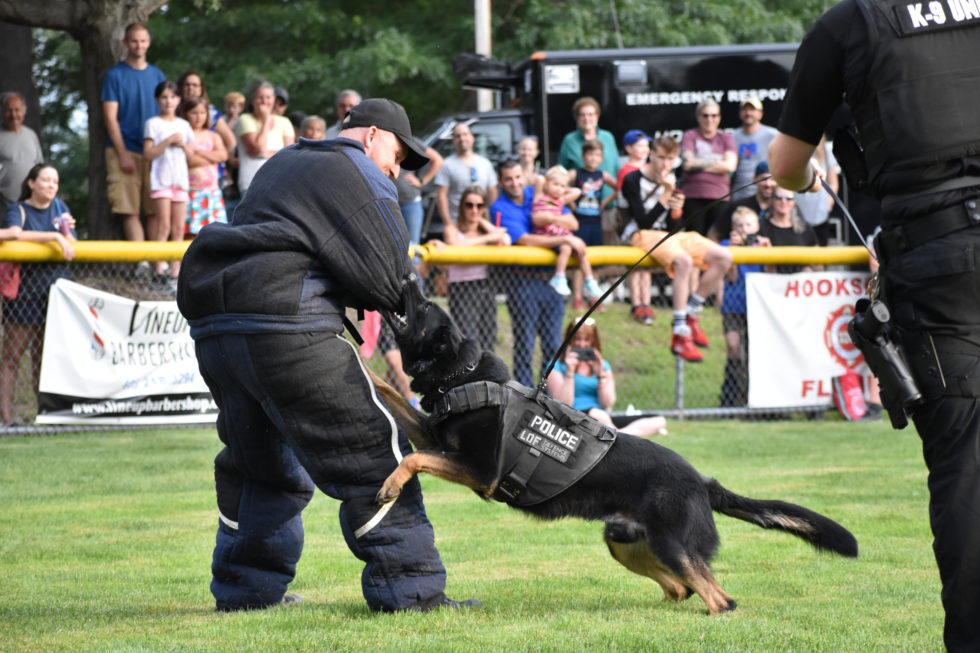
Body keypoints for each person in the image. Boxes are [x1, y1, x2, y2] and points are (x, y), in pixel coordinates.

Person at [177, 98, 478, 613]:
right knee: (373, 458)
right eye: (398, 154)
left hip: (218, 329)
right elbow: (388, 281)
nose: (397, 169)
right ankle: (411, 593)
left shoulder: (283, 162)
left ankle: (246, 592)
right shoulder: (360, 172)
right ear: (371, 136)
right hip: (289, 326)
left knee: (258, 465)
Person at [767, 4, 980, 649]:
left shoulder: (849, 24)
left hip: (942, 256)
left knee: (968, 464)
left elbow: (786, 166)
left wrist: (811, 177)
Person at [620, 135, 733, 363]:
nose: (665, 165)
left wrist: (675, 212)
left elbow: (672, 226)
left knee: (723, 256)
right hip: (640, 235)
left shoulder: (674, 179)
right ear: (651, 154)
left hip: (669, 236)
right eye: (661, 158)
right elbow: (644, 223)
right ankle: (680, 329)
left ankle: (693, 310)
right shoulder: (633, 179)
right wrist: (664, 195)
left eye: (670, 159)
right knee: (684, 261)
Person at [1, 163, 76, 426]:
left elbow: (73, 246)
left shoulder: (60, 209)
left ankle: (42, 417)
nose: (51, 185)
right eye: (45, 180)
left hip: (56, 297)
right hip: (24, 297)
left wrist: (65, 231)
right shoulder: (18, 209)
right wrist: (54, 237)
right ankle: (6, 420)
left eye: (55, 181)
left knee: (44, 361)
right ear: (31, 183)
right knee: (12, 357)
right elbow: (15, 236)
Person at [492, 157, 566, 386]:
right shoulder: (499, 207)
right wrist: (561, 237)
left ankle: (550, 400)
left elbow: (571, 219)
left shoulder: (538, 194)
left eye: (517, 177)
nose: (514, 183)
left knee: (554, 346)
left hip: (552, 280)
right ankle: (526, 398)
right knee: (525, 345)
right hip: (523, 282)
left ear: (524, 176)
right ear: (500, 181)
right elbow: (524, 240)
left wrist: (551, 219)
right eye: (508, 179)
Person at [100, 22, 166, 244]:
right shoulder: (114, 75)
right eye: (134, 41)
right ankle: (142, 263)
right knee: (128, 208)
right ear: (126, 43)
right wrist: (123, 154)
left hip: (153, 152)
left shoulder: (157, 75)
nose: (139, 45)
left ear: (148, 43)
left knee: (154, 208)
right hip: (123, 148)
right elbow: (110, 117)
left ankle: (158, 265)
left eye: (143, 41)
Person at [547, 317, 667, 437]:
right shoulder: (557, 366)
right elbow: (563, 405)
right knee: (597, 414)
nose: (582, 345)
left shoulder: (603, 365)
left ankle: (618, 435)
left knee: (659, 420)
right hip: (574, 418)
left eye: (587, 340)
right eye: (577, 339)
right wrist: (570, 372)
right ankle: (622, 435)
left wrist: (601, 375)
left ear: (594, 341)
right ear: (569, 339)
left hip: (603, 418)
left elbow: (607, 403)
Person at [444, 186, 509, 352]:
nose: (474, 210)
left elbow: (506, 240)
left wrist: (481, 221)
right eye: (469, 205)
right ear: (462, 207)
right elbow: (454, 245)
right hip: (462, 288)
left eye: (479, 206)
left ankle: (488, 376)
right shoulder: (452, 229)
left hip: (484, 285)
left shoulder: (484, 229)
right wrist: (488, 237)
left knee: (488, 337)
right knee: (468, 339)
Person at [143, 80, 194, 287]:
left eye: (172, 97)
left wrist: (182, 144)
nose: (168, 101)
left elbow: (191, 156)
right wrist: (167, 141)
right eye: (164, 97)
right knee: (163, 226)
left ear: (178, 100)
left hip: (180, 181)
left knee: (179, 228)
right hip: (161, 181)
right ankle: (159, 271)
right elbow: (148, 154)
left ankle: (176, 272)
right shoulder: (152, 123)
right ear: (158, 100)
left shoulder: (184, 125)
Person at [719, 207, 767, 407]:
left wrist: (766, 249)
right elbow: (731, 277)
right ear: (733, 229)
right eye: (739, 226)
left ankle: (748, 398)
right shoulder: (726, 246)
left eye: (748, 225)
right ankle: (730, 397)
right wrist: (735, 250)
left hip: (756, 307)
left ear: (756, 227)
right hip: (733, 306)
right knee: (734, 348)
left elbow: (770, 274)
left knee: (752, 355)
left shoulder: (762, 246)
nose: (744, 229)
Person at [531, 164, 601, 301]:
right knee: (566, 247)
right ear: (547, 184)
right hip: (547, 235)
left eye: (562, 186)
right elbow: (539, 179)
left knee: (581, 250)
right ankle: (559, 276)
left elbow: (577, 192)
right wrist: (551, 178)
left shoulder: (560, 201)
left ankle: (589, 280)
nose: (558, 189)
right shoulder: (540, 197)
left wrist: (563, 185)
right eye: (555, 184)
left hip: (560, 233)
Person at [568, 139, 617, 309]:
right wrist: (570, 202)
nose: (593, 158)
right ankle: (577, 297)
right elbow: (561, 185)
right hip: (579, 222)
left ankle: (594, 297)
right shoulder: (575, 174)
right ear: (583, 156)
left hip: (596, 222)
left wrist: (605, 202)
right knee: (578, 260)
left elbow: (618, 187)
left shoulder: (602, 175)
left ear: (602, 158)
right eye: (590, 154)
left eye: (597, 155)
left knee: (594, 262)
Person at [679, 98, 737, 236]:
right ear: (699, 117)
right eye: (705, 115)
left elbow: (730, 166)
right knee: (694, 239)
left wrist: (698, 163)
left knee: (716, 239)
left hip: (720, 196)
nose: (709, 119)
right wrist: (718, 164)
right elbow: (687, 164)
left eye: (714, 115)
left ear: (719, 117)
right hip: (693, 196)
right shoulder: (690, 135)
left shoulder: (726, 138)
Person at [434, 122, 497, 241]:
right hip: (458, 224)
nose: (462, 138)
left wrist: (489, 218)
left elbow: (492, 192)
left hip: (481, 224)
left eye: (465, 134)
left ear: (472, 138)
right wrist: (449, 223)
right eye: (457, 136)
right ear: (453, 141)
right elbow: (441, 196)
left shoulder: (485, 164)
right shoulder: (447, 165)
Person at [179, 96, 228, 239]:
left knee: (214, 235)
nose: (198, 117)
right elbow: (189, 160)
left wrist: (199, 152)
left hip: (212, 193)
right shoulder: (185, 134)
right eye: (194, 113)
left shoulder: (213, 136)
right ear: (186, 114)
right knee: (191, 234)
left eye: (202, 112)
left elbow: (223, 155)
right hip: (191, 193)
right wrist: (211, 156)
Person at [235, 80, 296, 195]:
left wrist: (264, 155)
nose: (264, 101)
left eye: (268, 97)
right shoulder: (244, 119)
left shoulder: (284, 122)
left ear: (273, 100)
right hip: (251, 183)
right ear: (252, 100)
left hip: (280, 182)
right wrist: (266, 119)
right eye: (260, 97)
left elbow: (289, 153)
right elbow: (258, 149)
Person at [709, 160, 776, 243]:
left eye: (772, 179)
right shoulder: (739, 205)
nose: (768, 184)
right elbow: (714, 233)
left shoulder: (783, 206)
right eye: (763, 179)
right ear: (755, 179)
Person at [758, 186, 819, 273]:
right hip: (772, 281)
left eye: (789, 198)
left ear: (794, 201)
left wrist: (811, 269)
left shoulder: (805, 228)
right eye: (779, 197)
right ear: (772, 200)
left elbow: (818, 264)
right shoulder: (762, 228)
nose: (783, 201)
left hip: (800, 283)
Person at [0, 92, 43, 211]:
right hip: (4, 207)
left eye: (17, 110)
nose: (13, 114)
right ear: (2, 111)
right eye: (9, 110)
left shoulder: (31, 135)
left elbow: (40, 167)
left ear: (23, 111)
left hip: (31, 205)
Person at [394, 141, 443, 247]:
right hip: (388, 202)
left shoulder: (408, 139)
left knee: (413, 247)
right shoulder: (381, 140)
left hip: (410, 201)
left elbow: (437, 160)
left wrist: (421, 181)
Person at [793, 135, 839, 245]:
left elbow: (833, 183)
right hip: (798, 210)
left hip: (820, 212)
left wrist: (829, 204)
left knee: (820, 252)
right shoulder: (793, 152)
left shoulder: (827, 151)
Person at [731, 97, 778, 201]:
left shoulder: (773, 135)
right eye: (745, 110)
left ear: (760, 114)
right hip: (740, 193)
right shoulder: (733, 137)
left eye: (752, 110)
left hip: (767, 193)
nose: (748, 113)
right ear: (740, 113)